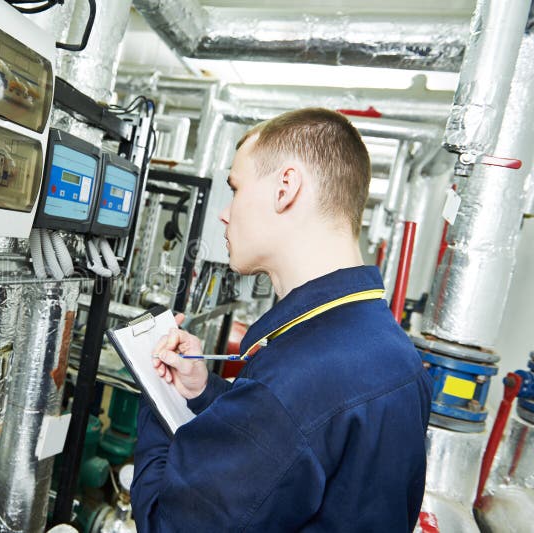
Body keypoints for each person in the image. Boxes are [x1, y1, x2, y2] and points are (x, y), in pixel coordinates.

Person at [131, 108, 433, 532]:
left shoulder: (297, 379)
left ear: (285, 188)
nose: (225, 212)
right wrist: (203, 391)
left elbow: (168, 523)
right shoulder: (392, 349)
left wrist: (156, 389)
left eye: (236, 189)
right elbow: (297, 447)